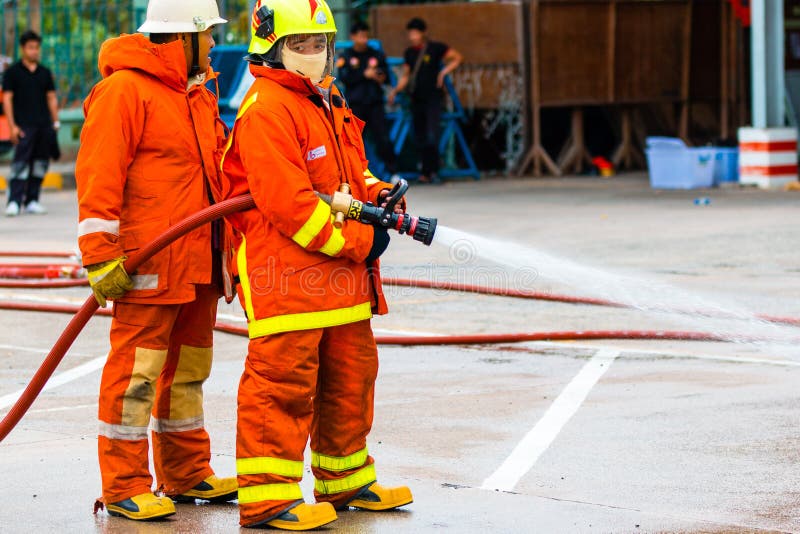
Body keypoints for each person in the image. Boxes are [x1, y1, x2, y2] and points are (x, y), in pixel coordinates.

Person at [216, 0, 412, 529]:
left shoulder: (326, 99)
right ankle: (269, 498)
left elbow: (351, 174)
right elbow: (290, 205)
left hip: (340, 282)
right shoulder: (267, 109)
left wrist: (381, 196)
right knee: (281, 386)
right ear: (274, 47)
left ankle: (345, 480)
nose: (313, 54)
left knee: (351, 378)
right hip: (287, 279)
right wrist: (359, 242)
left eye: (319, 44)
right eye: (300, 45)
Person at [75, 0, 237, 521]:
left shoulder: (195, 95)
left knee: (187, 374)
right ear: (183, 38)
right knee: (138, 374)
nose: (214, 44)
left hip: (199, 263)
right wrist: (100, 256)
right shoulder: (124, 90)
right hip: (150, 261)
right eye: (208, 34)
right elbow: (99, 177)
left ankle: (187, 473)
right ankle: (124, 485)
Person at [388, 18, 462, 183]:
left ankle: (433, 171)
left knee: (432, 135)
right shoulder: (409, 53)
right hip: (416, 99)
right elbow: (406, 76)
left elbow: (457, 57)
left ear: (423, 33)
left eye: (416, 33)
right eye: (411, 33)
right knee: (420, 136)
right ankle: (424, 172)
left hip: (433, 99)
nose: (413, 36)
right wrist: (395, 91)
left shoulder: (435, 48)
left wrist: (443, 73)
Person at [2, 30, 59, 217]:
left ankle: (33, 200)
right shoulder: (12, 73)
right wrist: (12, 126)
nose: (34, 51)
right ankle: (14, 202)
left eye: (36, 47)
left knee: (40, 164)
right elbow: (7, 100)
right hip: (23, 125)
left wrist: (55, 122)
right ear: (23, 49)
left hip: (43, 125)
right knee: (20, 163)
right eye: (31, 47)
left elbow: (51, 98)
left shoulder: (45, 73)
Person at [336, 21, 398, 179]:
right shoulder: (346, 56)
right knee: (355, 142)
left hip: (375, 104)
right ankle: (356, 175)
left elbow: (385, 77)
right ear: (353, 37)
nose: (363, 39)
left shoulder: (376, 54)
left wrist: (377, 77)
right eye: (360, 36)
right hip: (356, 106)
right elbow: (344, 78)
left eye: (365, 35)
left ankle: (392, 173)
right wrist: (364, 75)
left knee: (383, 138)